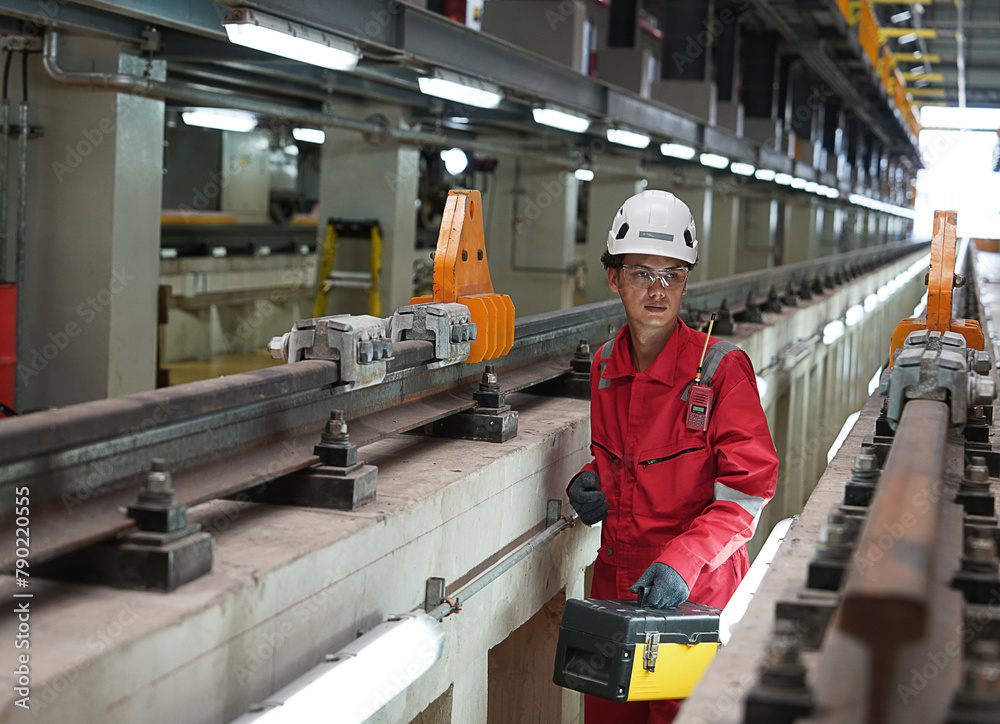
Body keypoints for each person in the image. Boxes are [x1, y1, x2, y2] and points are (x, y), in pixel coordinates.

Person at [566, 189, 778, 724]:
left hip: (695, 591)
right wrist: (592, 480)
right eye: (641, 273)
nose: (658, 290)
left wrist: (682, 562)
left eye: (672, 275)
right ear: (613, 278)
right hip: (616, 588)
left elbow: (747, 492)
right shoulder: (605, 366)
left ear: (686, 282)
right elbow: (626, 462)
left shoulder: (722, 369)